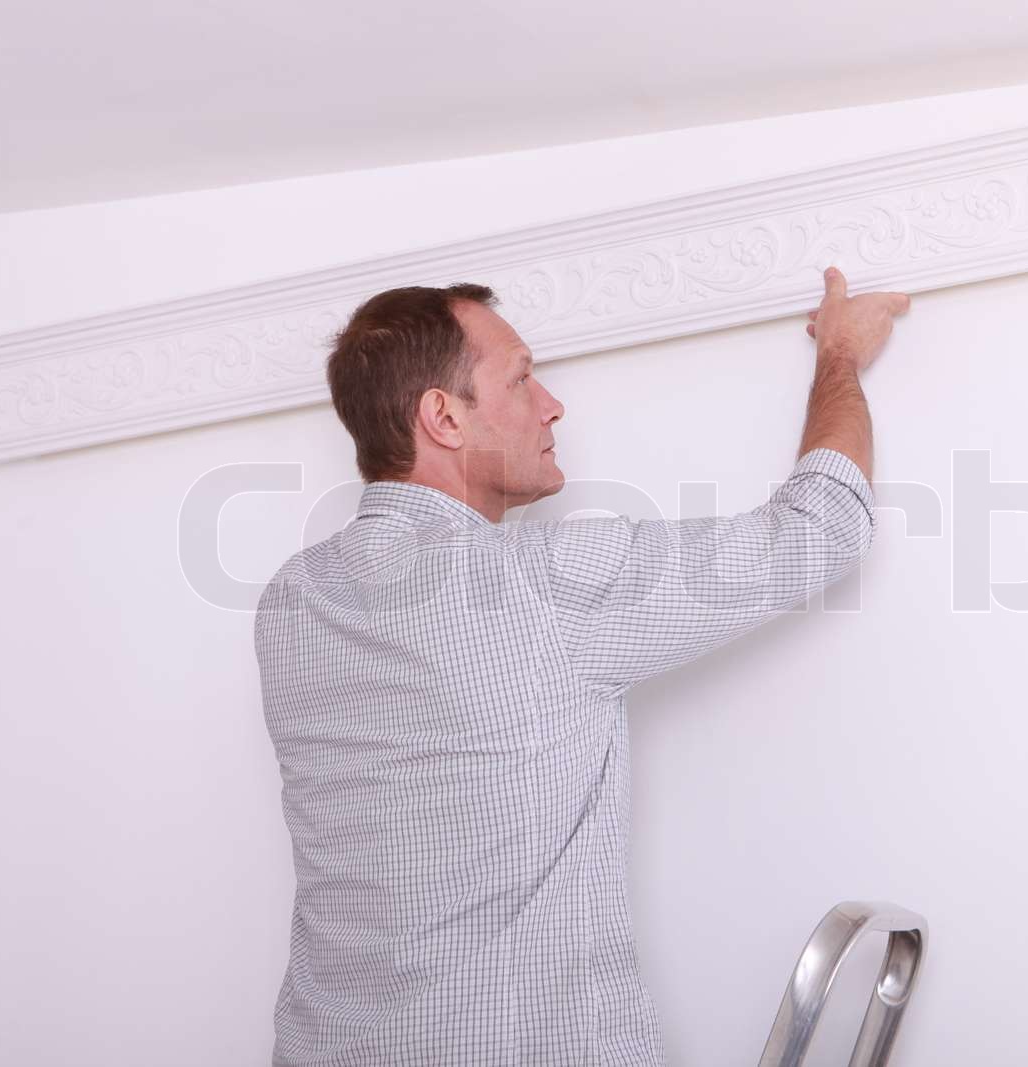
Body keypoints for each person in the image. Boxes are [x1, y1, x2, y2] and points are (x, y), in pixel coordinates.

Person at [253, 265, 910, 1065]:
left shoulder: (292, 602)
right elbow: (821, 530)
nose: (553, 404)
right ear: (441, 417)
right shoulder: (543, 586)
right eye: (522, 378)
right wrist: (838, 358)